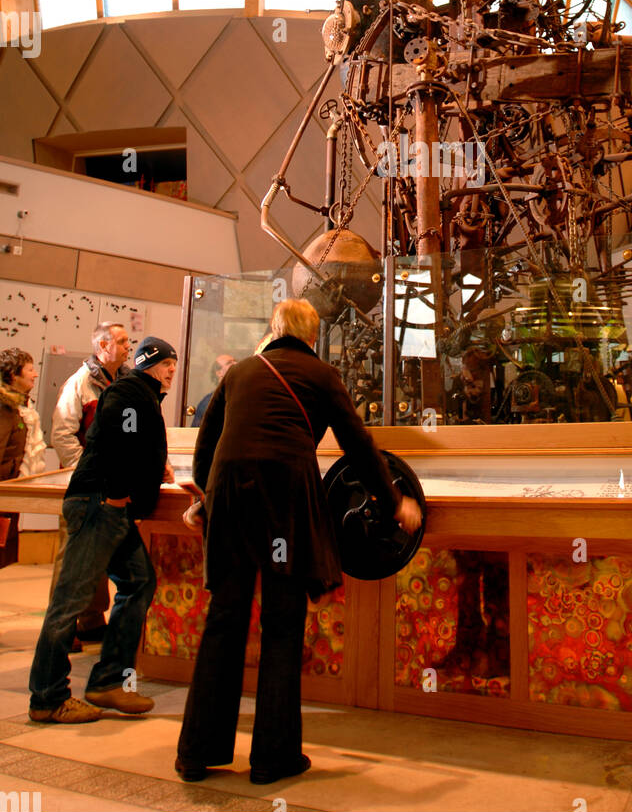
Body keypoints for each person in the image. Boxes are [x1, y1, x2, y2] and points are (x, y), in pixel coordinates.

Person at [175, 298, 422, 785]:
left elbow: (207, 446)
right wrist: (395, 502)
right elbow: (358, 445)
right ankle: (273, 757)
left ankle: (197, 754)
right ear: (314, 335)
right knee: (282, 624)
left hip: (231, 498)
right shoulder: (323, 375)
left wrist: (208, 503)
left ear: (274, 328)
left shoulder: (241, 371)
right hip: (283, 505)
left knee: (223, 620)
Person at [28, 336, 178, 725]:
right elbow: (116, 443)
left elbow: (132, 447)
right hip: (100, 506)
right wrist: (116, 496)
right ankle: (48, 696)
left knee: (139, 583)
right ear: (148, 363)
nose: (172, 370)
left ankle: (109, 681)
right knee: (70, 602)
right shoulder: (130, 392)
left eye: (175, 364)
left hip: (113, 509)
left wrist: (152, 471)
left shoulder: (142, 395)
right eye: (166, 363)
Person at [50, 322, 131, 642]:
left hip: (113, 486)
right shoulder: (79, 383)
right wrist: (86, 472)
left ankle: (92, 618)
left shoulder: (126, 382)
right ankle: (62, 629)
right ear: (102, 347)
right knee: (72, 553)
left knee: (99, 551)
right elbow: (62, 433)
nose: (128, 347)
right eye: (122, 341)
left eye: (128, 341)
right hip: (83, 485)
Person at [0, 349, 46, 567]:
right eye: (29, 369)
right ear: (12, 375)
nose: (35, 374)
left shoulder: (20, 405)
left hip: (10, 493)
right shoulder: (4, 408)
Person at [191, 354, 235, 426]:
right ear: (218, 373)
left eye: (235, 361)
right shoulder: (208, 402)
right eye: (229, 363)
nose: (235, 364)